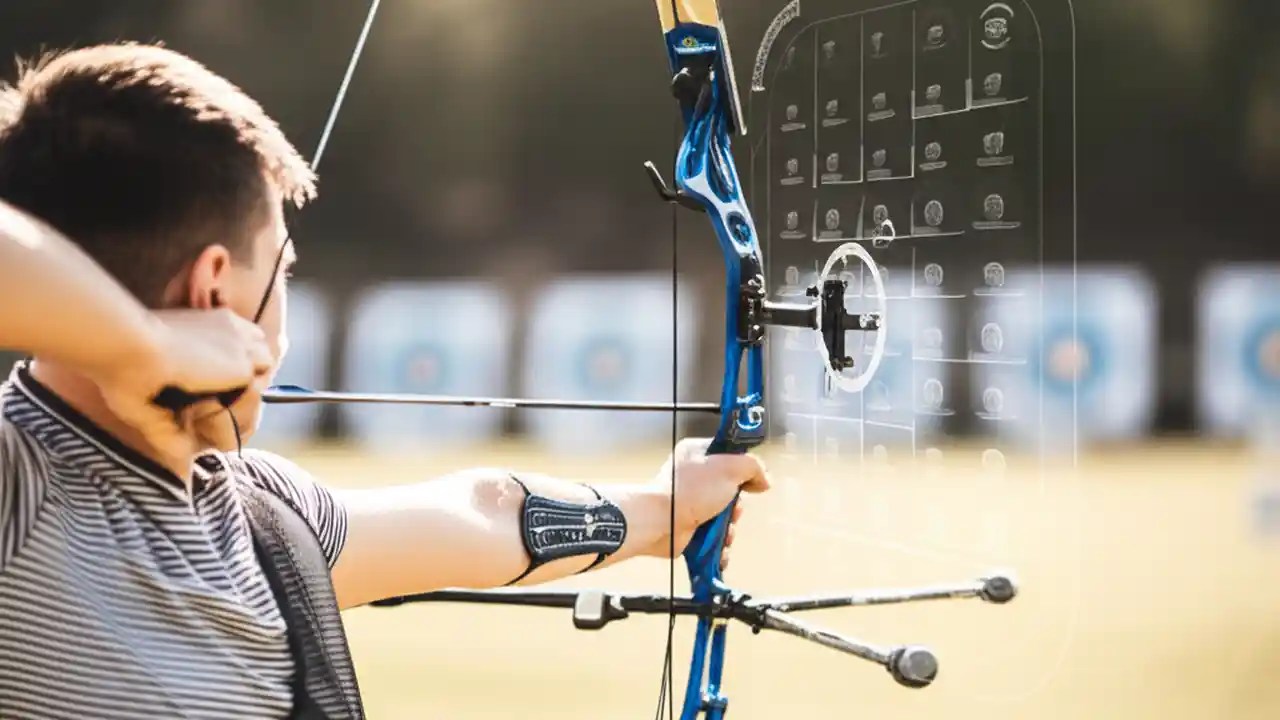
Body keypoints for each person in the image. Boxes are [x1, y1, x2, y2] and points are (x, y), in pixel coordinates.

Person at [0, 43, 770, 718]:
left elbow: (478, 514)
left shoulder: (257, 507)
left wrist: (654, 513)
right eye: (281, 276)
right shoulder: (20, 496)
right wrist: (149, 350)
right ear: (211, 292)